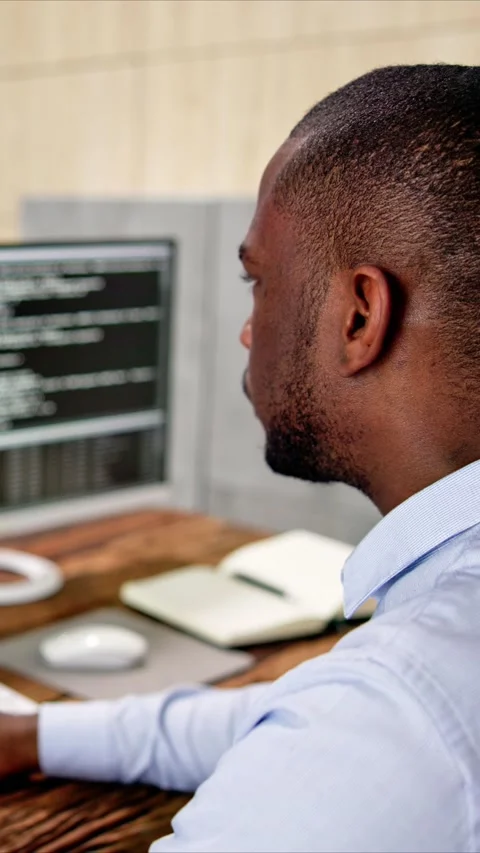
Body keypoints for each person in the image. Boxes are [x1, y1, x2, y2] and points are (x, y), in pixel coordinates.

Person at [2, 63, 480, 852]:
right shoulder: (383, 704)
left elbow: (365, 727)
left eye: (257, 280)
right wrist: (35, 733)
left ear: (360, 315)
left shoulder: (406, 707)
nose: (248, 330)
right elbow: (298, 718)